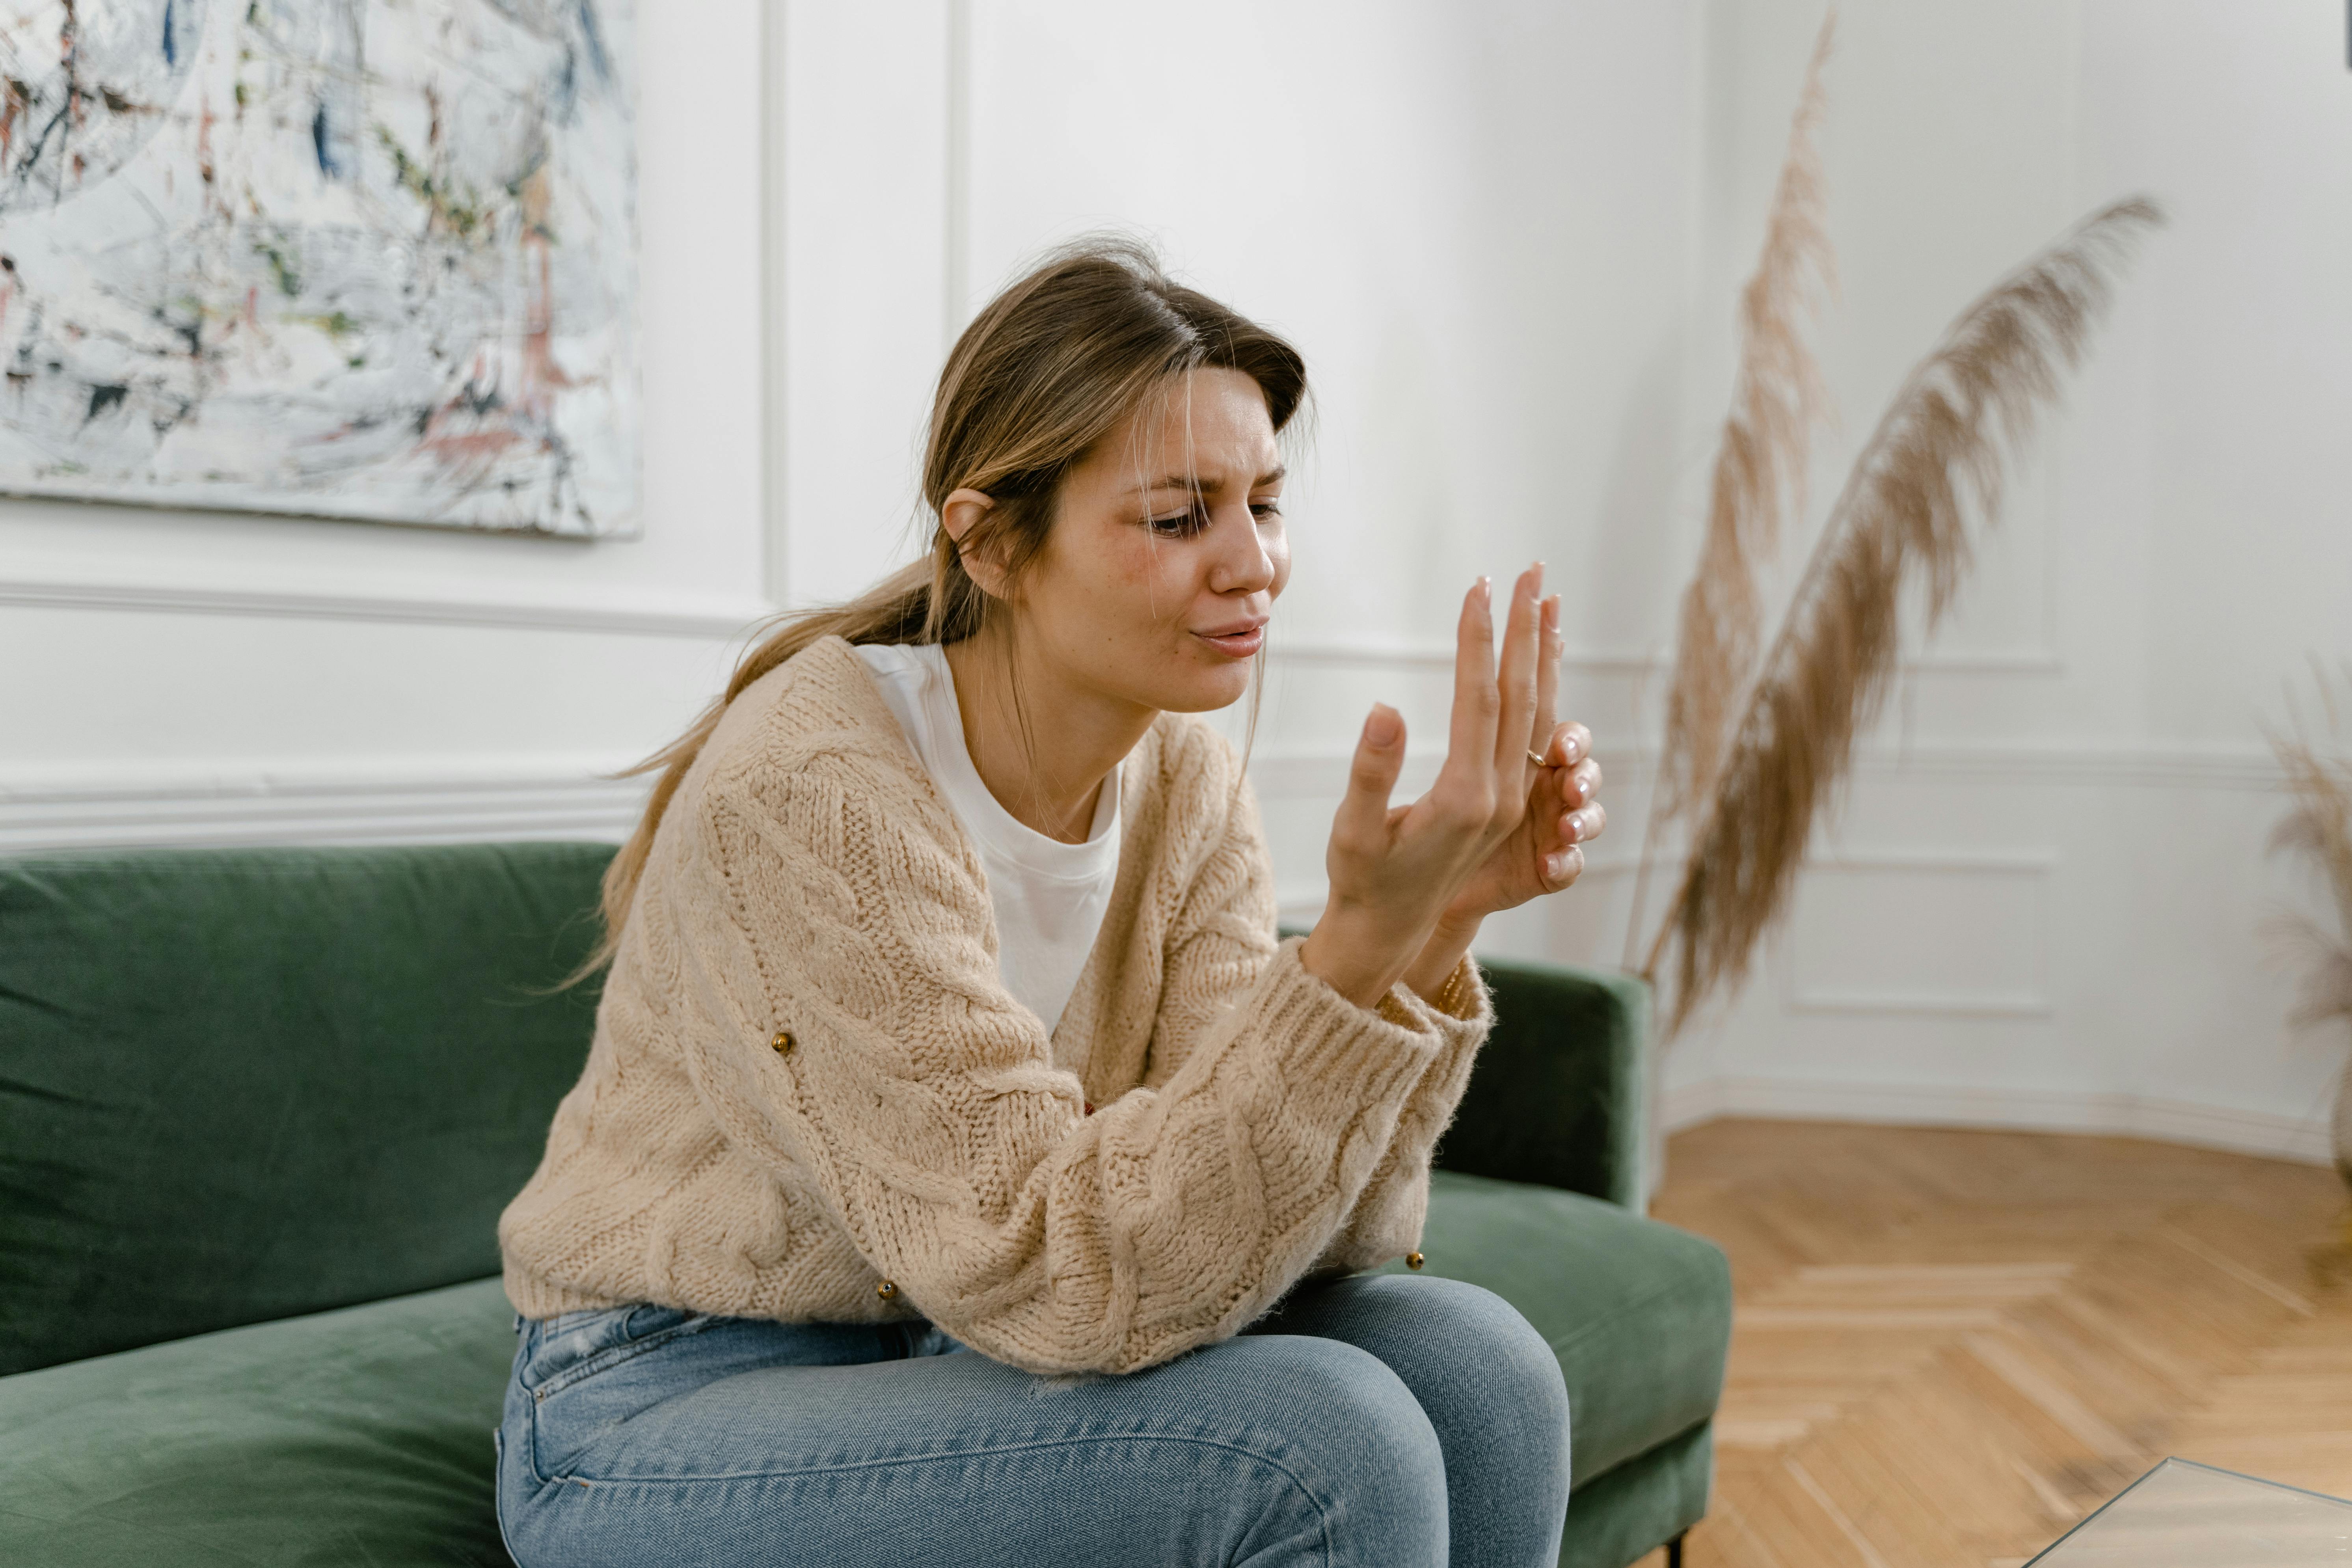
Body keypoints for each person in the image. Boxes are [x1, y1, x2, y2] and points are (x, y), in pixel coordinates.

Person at [495, 238, 1608, 1568]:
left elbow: (1280, 1239)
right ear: (994, 541)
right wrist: (1349, 954)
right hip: (656, 1396)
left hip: (944, 1331)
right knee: (1328, 1440)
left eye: (1265, 501)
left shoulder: (1184, 777)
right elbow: (1056, 1272)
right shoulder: (815, 789)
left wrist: (1429, 935)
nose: (1253, 561)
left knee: (1484, 1372)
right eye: (1182, 514)